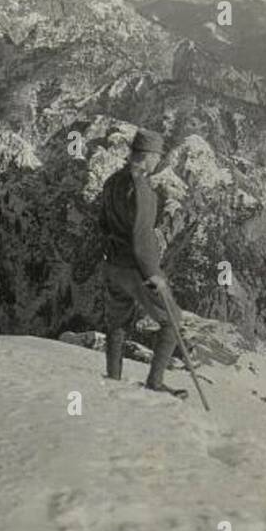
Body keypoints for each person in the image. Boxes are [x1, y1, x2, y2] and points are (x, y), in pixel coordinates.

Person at [98, 128, 187, 397]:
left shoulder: (112, 182)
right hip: (136, 269)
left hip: (112, 263)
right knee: (172, 321)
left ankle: (113, 376)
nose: (158, 162)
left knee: (117, 322)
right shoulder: (144, 190)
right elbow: (141, 236)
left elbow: (102, 223)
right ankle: (155, 383)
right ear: (148, 157)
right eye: (157, 156)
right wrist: (154, 274)